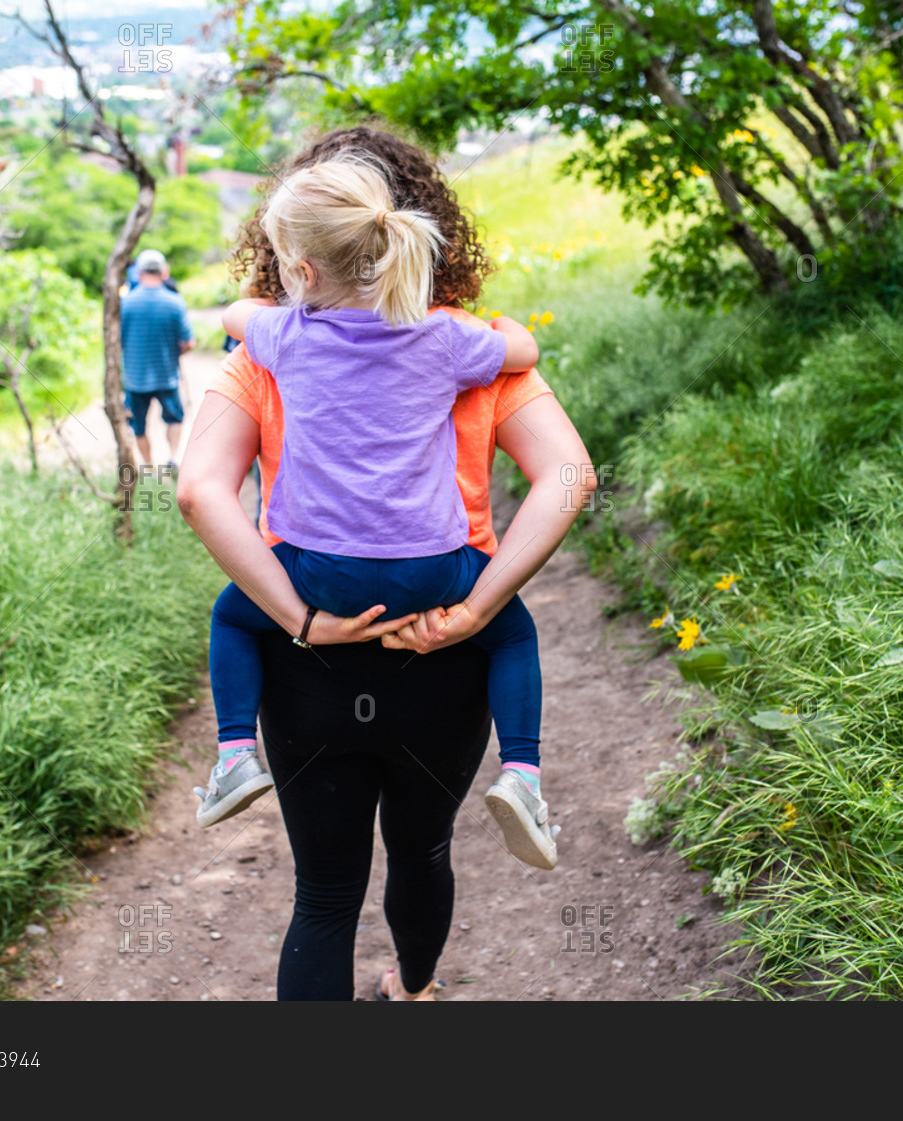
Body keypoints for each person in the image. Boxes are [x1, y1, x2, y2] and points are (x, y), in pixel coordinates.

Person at [176, 126, 595, 1000]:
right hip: (445, 645)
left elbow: (201, 494)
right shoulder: (462, 347)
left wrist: (293, 614)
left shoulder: (269, 352)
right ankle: (414, 992)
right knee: (423, 850)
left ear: (293, 254)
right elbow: (568, 475)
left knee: (323, 897)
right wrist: (479, 608)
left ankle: (231, 751)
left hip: (310, 656)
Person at [120, 249, 192, 471]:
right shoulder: (175, 302)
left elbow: (117, 341)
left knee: (138, 426)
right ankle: (172, 459)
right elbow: (188, 343)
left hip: (134, 378)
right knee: (174, 418)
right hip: (167, 376)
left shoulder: (125, 303)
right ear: (164, 272)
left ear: (139, 273)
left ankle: (149, 467)